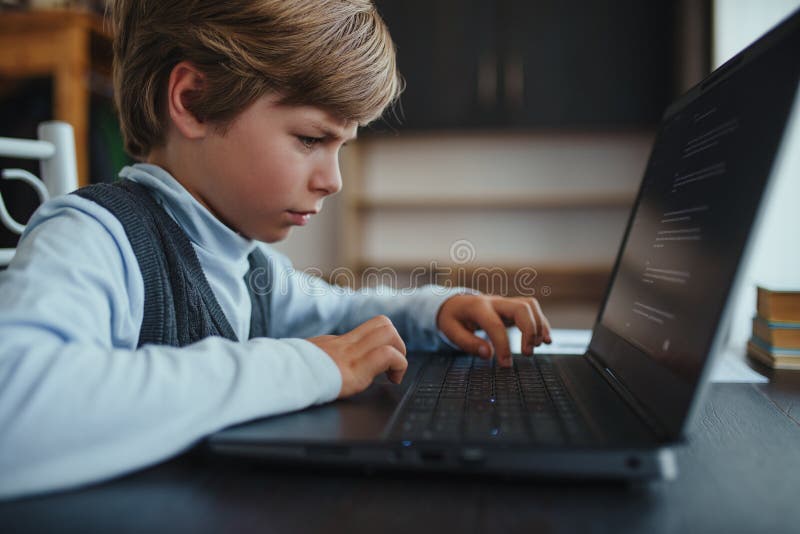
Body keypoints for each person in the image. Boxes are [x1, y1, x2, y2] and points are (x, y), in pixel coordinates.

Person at [0, 0, 551, 499]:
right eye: (311, 139)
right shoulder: (97, 236)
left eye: (342, 145)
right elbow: (15, 410)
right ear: (193, 101)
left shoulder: (246, 263)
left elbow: (339, 313)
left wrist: (433, 309)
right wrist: (303, 365)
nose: (332, 180)